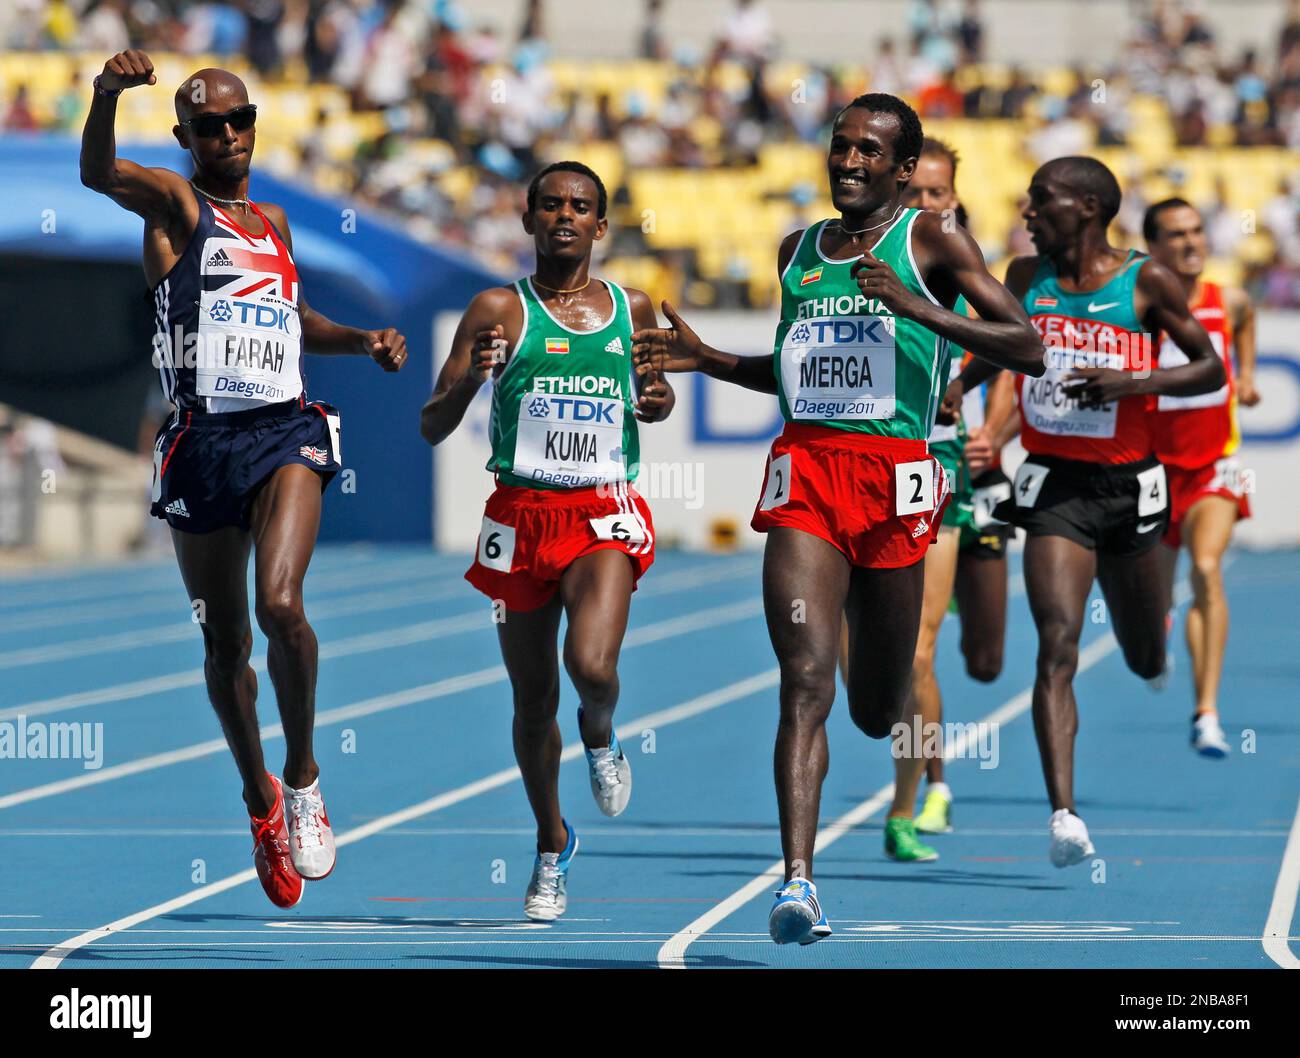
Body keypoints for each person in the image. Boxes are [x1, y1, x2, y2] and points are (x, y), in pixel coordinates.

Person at [633, 94, 1044, 944]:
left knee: (877, 705)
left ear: (903, 169)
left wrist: (918, 306)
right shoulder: (799, 251)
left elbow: (1028, 346)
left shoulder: (930, 242)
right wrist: (709, 360)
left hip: (897, 484)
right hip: (808, 478)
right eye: (841, 145)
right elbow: (793, 373)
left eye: (870, 151)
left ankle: (893, 729)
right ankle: (798, 884)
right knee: (807, 682)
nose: (850, 161)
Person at [80, 51, 408, 908]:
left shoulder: (275, 225)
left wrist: (363, 341)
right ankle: (260, 798)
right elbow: (97, 170)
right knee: (225, 644)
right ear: (186, 138)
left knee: (282, 607)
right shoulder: (175, 209)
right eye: (209, 126)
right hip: (200, 446)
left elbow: (295, 320)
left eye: (240, 119)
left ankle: (302, 778)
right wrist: (107, 94)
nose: (228, 134)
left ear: (254, 124)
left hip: (284, 430)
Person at [420, 162, 674, 922]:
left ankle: (601, 734)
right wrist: (473, 379)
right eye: (552, 204)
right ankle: (550, 842)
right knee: (534, 702)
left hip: (601, 512)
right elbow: (432, 423)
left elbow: (654, 400)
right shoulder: (497, 307)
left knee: (591, 667)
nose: (566, 216)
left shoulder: (632, 307)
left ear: (602, 226)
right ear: (529, 218)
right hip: (520, 516)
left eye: (582, 207)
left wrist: (655, 397)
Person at [954, 157, 1225, 867]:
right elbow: (1005, 346)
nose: (1027, 209)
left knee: (1142, 654)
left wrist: (1132, 381)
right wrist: (958, 385)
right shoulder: (1022, 277)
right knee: (1057, 643)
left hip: (1132, 489)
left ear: (1089, 207)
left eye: (1041, 199)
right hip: (1053, 492)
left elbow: (1208, 368)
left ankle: (1155, 646)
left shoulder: (1146, 280)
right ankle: (1064, 816)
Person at [845, 138, 1017, 860]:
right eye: (914, 194)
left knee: (966, 656)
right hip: (863, 467)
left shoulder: (955, 263)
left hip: (948, 470)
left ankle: (913, 800)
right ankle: (924, 782)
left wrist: (995, 434)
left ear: (955, 202)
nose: (924, 205)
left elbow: (1013, 358)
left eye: (936, 195)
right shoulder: (867, 261)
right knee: (872, 664)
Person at [1143, 197, 1259, 756]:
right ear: (1153, 248)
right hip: (1152, 476)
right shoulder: (1141, 308)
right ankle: (1154, 634)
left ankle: (1206, 712)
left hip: (1214, 468)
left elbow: (1247, 323)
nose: (1191, 242)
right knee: (1154, 601)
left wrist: (1249, 374)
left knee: (1208, 569)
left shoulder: (1227, 300)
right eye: (1176, 235)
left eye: (1196, 231)